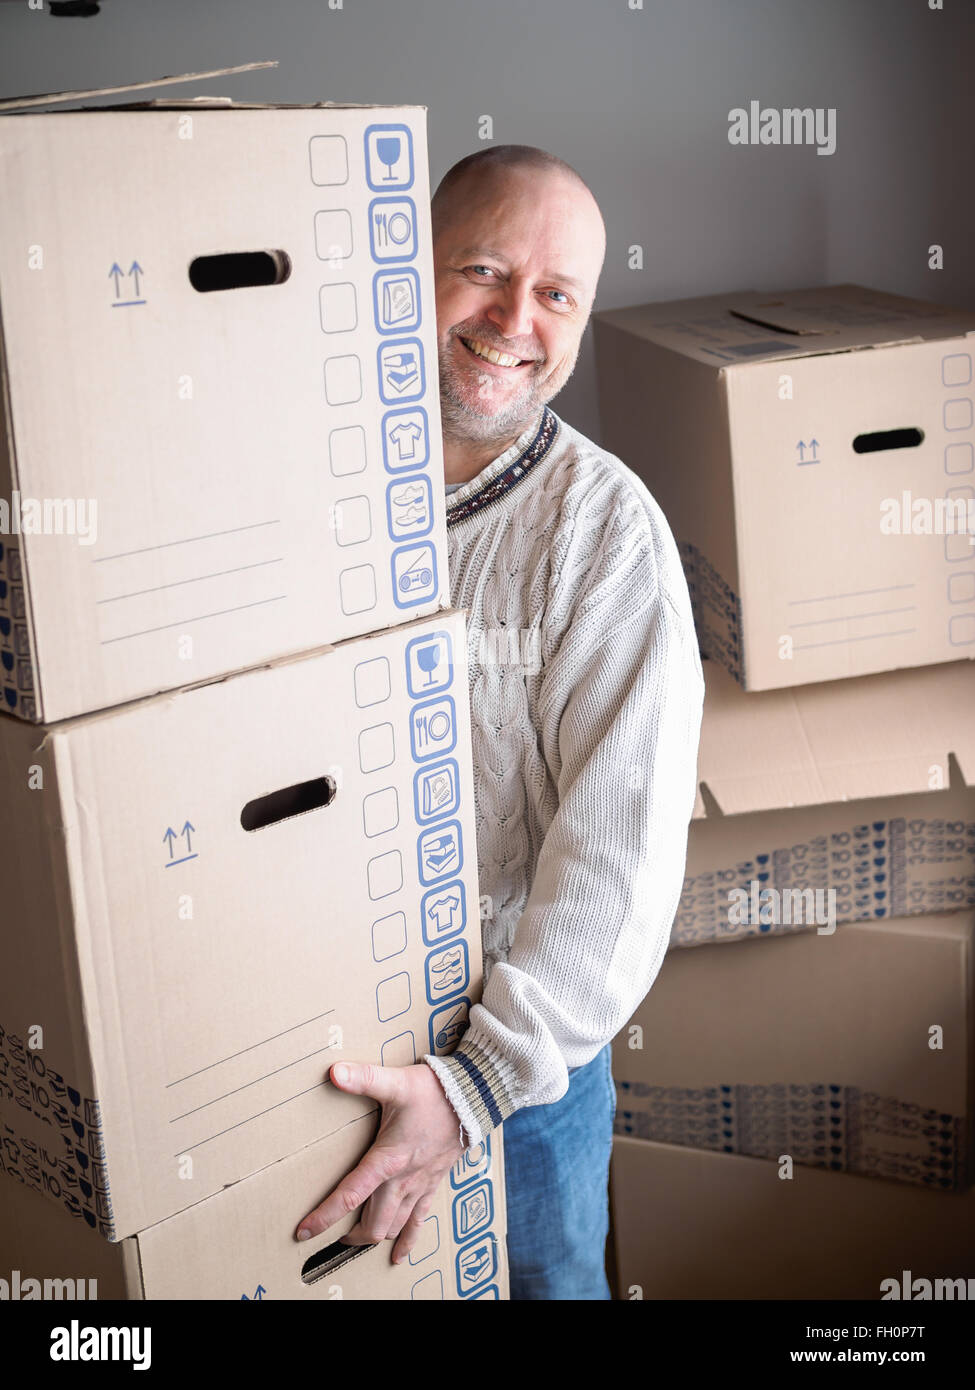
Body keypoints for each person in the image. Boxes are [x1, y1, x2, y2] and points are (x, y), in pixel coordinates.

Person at [296, 145, 704, 1300]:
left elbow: (618, 869)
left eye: (556, 294)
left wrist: (472, 1088)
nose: (514, 318)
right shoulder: (292, 491)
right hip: (313, 1051)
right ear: (400, 268)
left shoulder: (606, 537)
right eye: (480, 269)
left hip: (519, 1078)